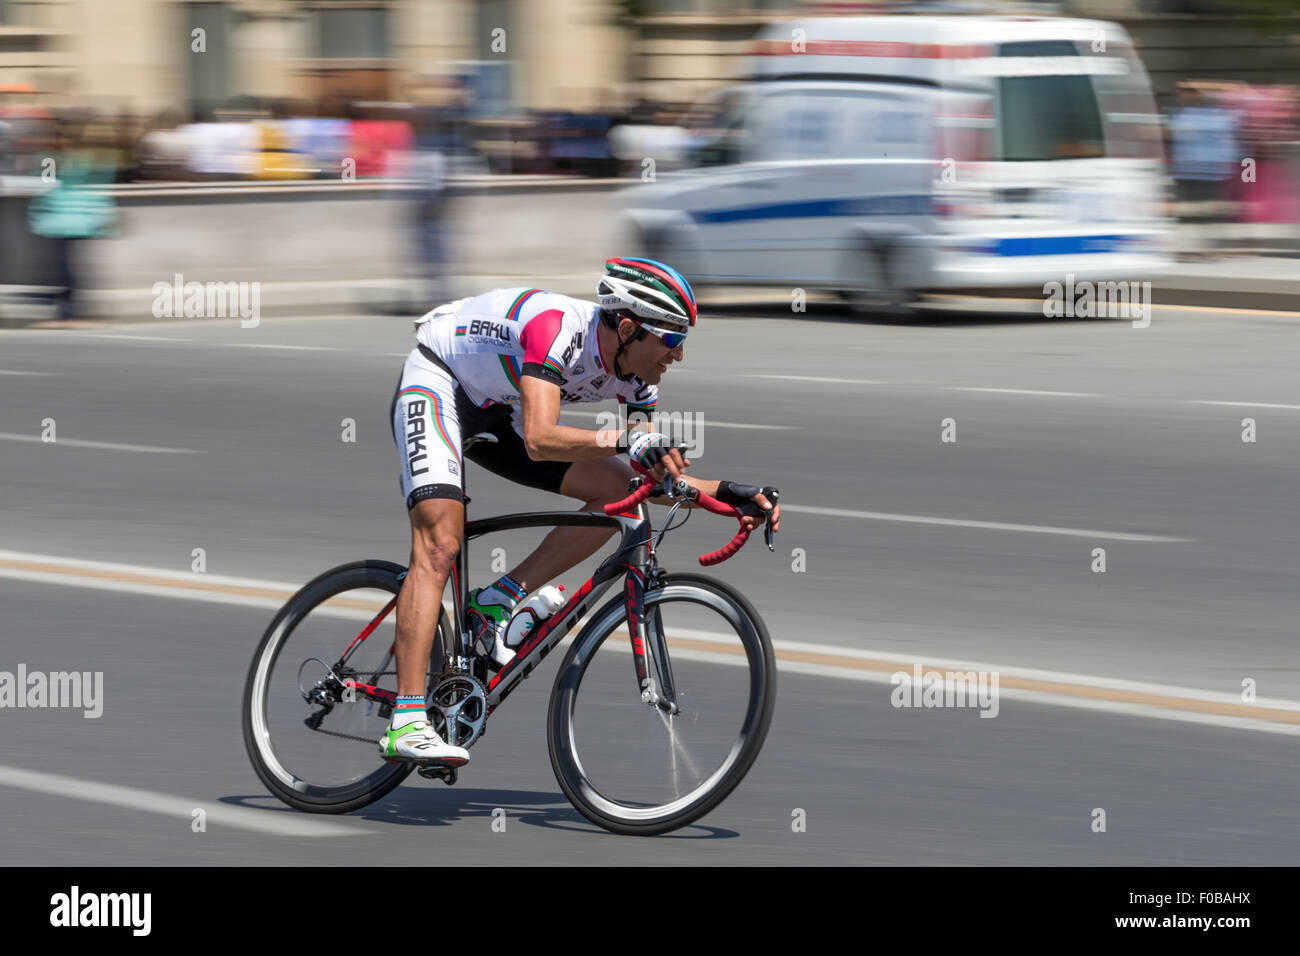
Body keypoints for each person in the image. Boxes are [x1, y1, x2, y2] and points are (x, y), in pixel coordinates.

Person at [381, 257, 780, 764]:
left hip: (498, 407)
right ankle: (407, 719)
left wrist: (727, 494)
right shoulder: (558, 330)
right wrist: (626, 441)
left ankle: (497, 599)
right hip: (439, 384)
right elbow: (542, 438)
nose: (678, 356)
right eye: (672, 341)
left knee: (623, 493)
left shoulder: (638, 380)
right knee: (440, 543)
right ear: (631, 329)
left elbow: (652, 478)